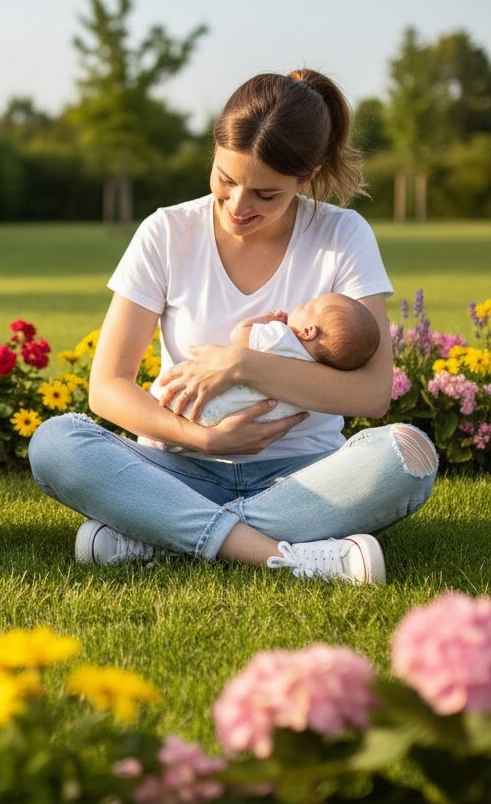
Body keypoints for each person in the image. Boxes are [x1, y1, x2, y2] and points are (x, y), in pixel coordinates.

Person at [28, 68, 438, 584]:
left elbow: (373, 393)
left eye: (265, 194)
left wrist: (242, 364)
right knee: (55, 444)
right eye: (225, 180)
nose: (239, 206)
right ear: (214, 153)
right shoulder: (166, 232)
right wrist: (203, 440)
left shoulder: (342, 235)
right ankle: (281, 552)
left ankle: (159, 534)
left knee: (406, 458)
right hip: (177, 469)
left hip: (304, 476)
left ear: (306, 178)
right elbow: (107, 387)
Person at [149, 292, 381, 431]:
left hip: (204, 405)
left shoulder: (281, 337)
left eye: (307, 306)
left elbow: (240, 335)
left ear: (308, 331)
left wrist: (267, 319)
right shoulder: (317, 373)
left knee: (165, 392)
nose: (300, 305)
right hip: (241, 422)